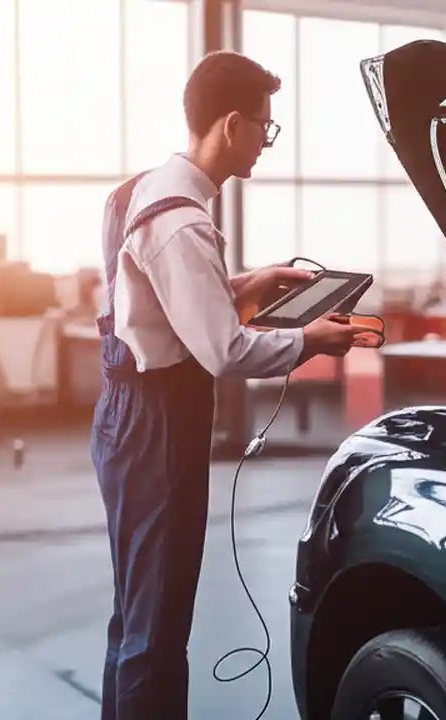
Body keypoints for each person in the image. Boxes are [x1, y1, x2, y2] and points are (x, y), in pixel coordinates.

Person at [90, 50, 363, 719]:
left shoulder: (141, 191)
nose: (266, 143)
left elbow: (163, 302)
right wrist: (311, 342)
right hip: (158, 421)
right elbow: (222, 348)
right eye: (265, 129)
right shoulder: (183, 222)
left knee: (134, 614)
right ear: (232, 125)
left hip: (129, 409)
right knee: (157, 625)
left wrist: (249, 282)